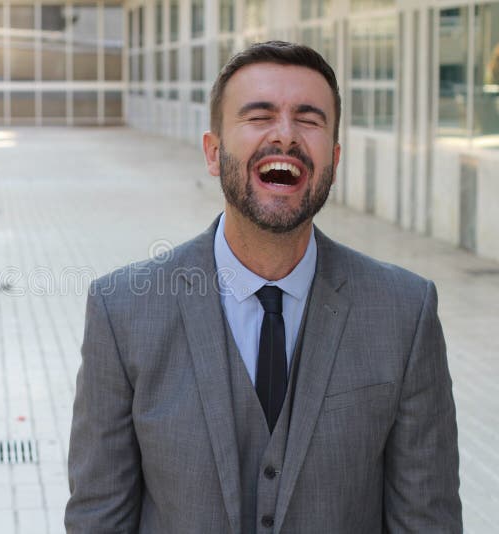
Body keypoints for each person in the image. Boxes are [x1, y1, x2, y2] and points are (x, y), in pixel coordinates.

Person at [64, 41, 462, 533]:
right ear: (213, 153)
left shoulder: (405, 313)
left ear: (334, 158)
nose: (286, 135)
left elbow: (427, 521)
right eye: (260, 116)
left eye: (309, 120)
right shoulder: (122, 312)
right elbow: (98, 519)